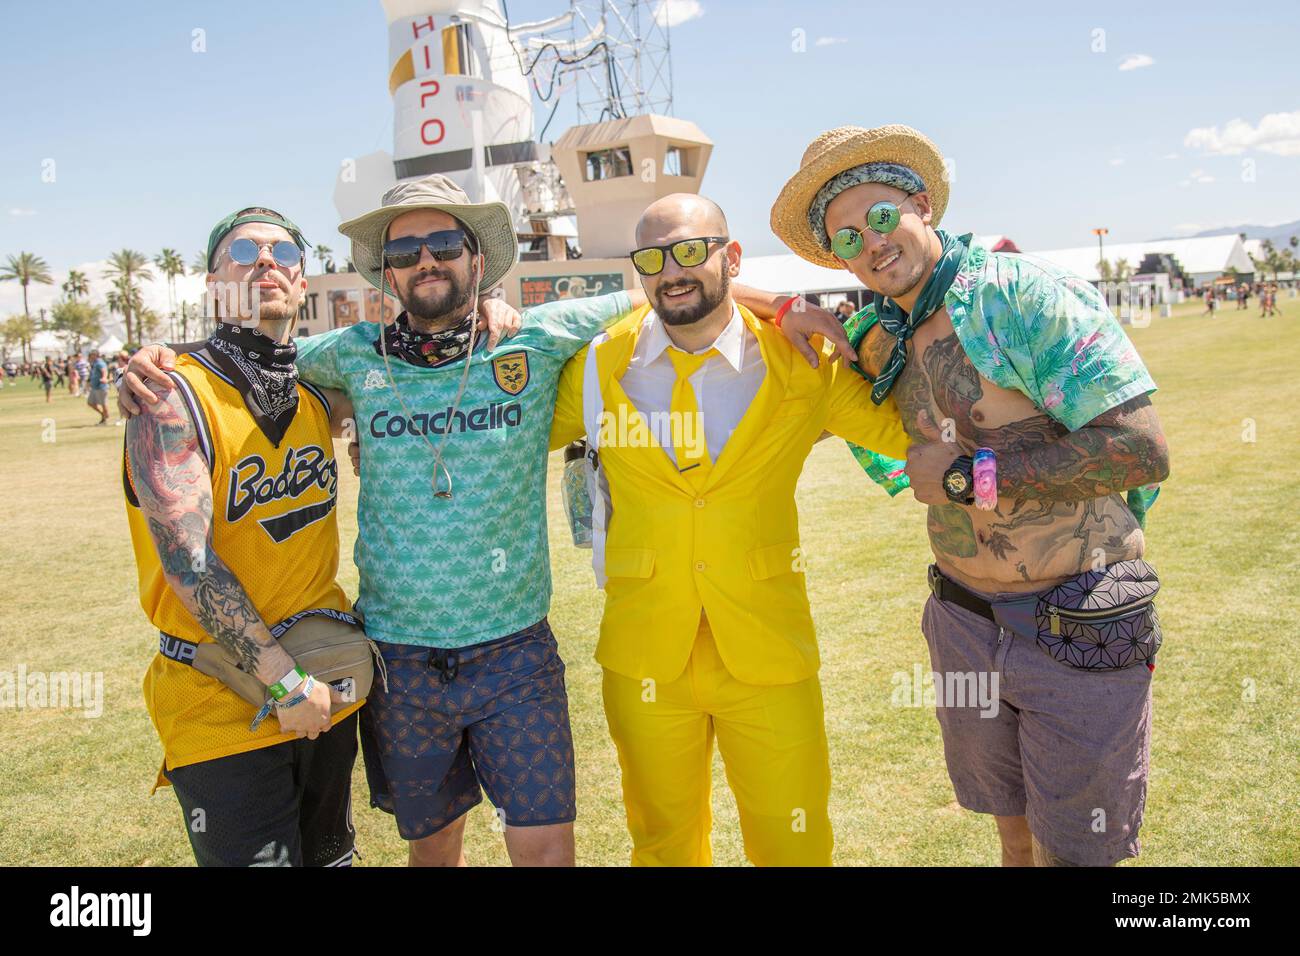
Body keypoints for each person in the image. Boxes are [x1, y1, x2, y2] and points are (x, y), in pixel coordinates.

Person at [122, 175, 822, 867]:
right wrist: (156, 359)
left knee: (546, 852)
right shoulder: (347, 355)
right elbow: (244, 359)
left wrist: (785, 302)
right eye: (405, 252)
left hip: (516, 653)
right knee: (433, 852)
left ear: (476, 260)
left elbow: (669, 290)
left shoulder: (540, 337)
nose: (426, 260)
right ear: (387, 275)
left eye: (443, 243)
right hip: (398, 660)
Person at [771, 124, 1170, 867]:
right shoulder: (877, 342)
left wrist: (966, 478)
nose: (871, 245)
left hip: (1077, 616)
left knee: (1078, 852)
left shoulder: (1018, 295)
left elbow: (1142, 448)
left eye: (882, 218)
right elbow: (711, 310)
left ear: (922, 203)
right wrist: (785, 305)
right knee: (1011, 833)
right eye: (848, 239)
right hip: (961, 620)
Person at [548, 194, 908, 866]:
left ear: (731, 257)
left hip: (767, 650)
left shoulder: (801, 359)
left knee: (795, 844)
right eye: (652, 259)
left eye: (689, 250)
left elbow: (903, 433)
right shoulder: (600, 365)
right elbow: (506, 427)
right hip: (645, 656)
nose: (671, 271)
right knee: (662, 846)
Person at [123, 206, 365, 866]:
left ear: (303, 280)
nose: (267, 262)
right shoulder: (170, 396)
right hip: (221, 701)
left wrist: (491, 314)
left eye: (284, 253)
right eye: (244, 251)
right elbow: (189, 562)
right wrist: (285, 683)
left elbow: (419, 358)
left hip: (326, 686)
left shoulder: (319, 398)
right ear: (211, 282)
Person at [84, 350, 109, 425]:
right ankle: (103, 415)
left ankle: (104, 420)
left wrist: (104, 378)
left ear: (95, 355)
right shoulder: (94, 363)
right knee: (90, 403)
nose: (90, 357)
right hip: (95, 387)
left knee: (103, 404)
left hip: (101, 386)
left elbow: (104, 371)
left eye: (91, 355)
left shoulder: (99, 362)